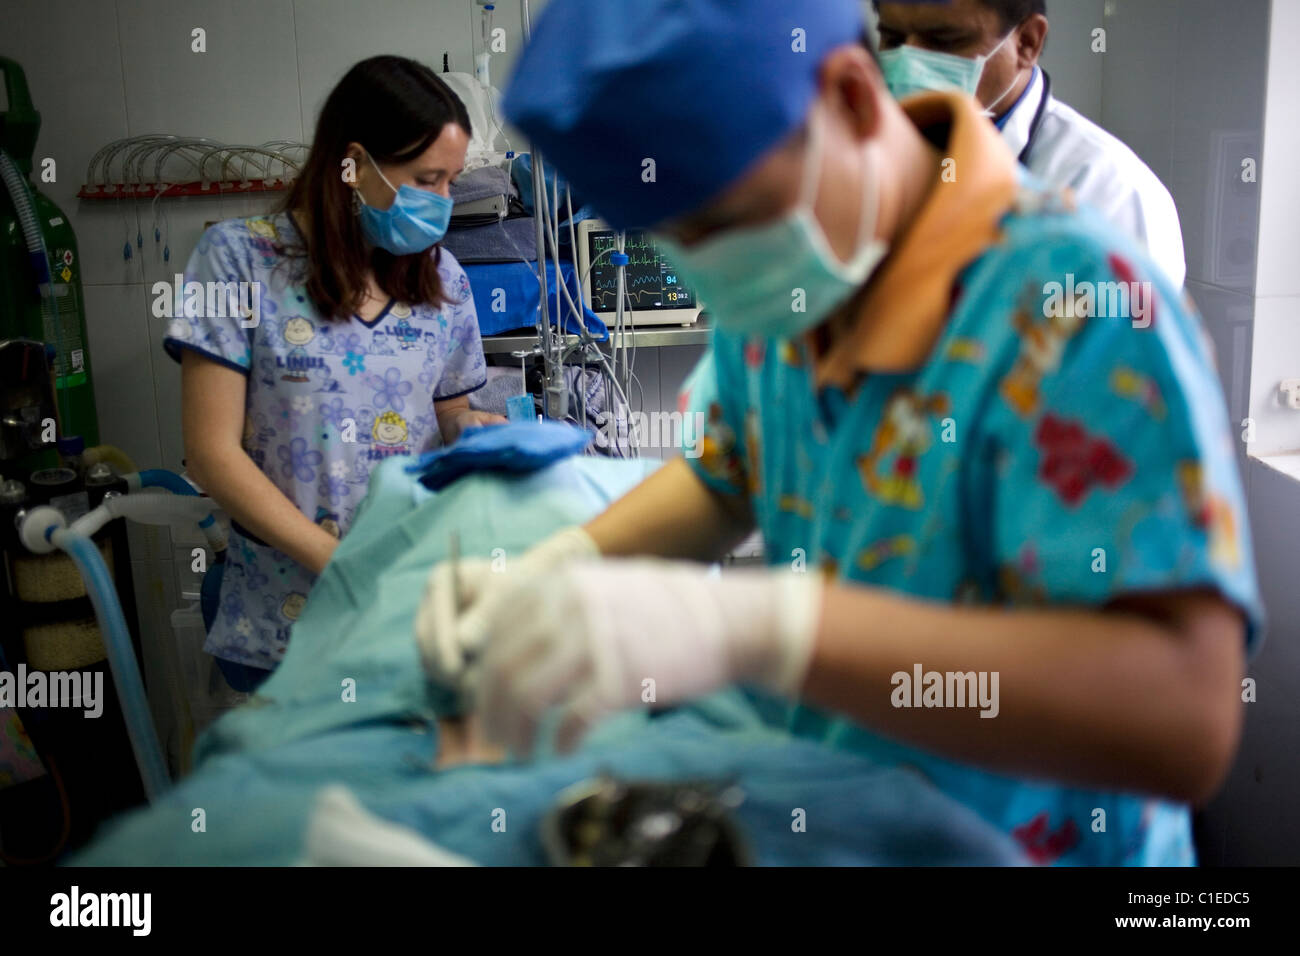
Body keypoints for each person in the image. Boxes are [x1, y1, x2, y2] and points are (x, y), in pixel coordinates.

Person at [414, 0, 1262, 865]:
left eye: (720, 221)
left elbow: (1183, 718)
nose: (704, 264)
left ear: (856, 100)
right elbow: (730, 467)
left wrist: (764, 629)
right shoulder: (796, 281)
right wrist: (564, 571)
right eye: (669, 234)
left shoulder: (1078, 308)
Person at [168, 55, 504, 693]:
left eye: (451, 182)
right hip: (286, 625)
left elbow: (446, 414)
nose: (442, 203)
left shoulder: (444, 281)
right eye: (427, 179)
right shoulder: (238, 261)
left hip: (410, 612)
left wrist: (476, 430)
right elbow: (210, 453)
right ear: (353, 165)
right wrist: (337, 562)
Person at [875, 0, 1188, 288]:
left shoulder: (1111, 193)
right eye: (893, 40)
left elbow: (1129, 340)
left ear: (1027, 42)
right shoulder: (873, 157)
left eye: (944, 41)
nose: (910, 62)